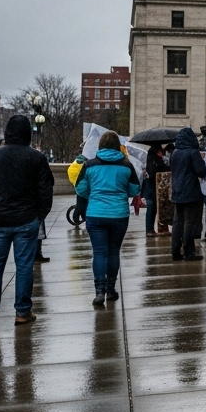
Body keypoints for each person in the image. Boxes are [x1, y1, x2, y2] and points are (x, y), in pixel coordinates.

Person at [0, 114, 55, 327]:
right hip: (26, 219)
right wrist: (40, 215)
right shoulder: (36, 158)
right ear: (28, 133)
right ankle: (22, 311)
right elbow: (46, 190)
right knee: (24, 267)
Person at [75, 131, 140, 306]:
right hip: (119, 214)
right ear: (117, 145)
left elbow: (80, 188)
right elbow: (134, 190)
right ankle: (111, 289)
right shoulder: (127, 166)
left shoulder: (89, 165)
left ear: (100, 145)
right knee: (113, 252)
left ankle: (99, 291)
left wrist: (93, 195)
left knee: (99, 252)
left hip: (96, 214)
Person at [168, 127, 206, 261]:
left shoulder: (174, 152)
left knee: (177, 222)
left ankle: (175, 251)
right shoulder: (193, 152)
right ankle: (188, 251)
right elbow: (201, 171)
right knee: (189, 222)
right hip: (191, 191)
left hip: (177, 190)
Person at [143, 143, 170, 236]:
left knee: (160, 207)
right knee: (152, 207)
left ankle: (160, 228)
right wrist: (159, 158)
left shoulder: (160, 155)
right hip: (152, 186)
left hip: (158, 186)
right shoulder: (151, 156)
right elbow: (153, 170)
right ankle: (149, 230)